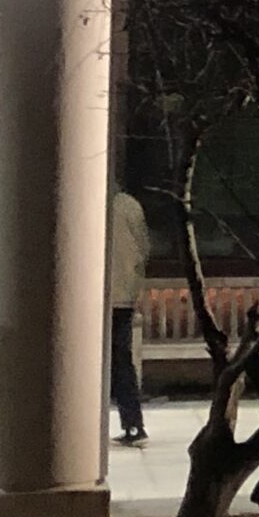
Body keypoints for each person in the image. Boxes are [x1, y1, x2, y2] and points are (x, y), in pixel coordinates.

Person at [106, 188, 150, 445]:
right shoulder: (130, 205)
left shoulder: (90, 202)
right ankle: (133, 424)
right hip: (124, 295)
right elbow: (144, 248)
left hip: (97, 297)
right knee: (122, 360)